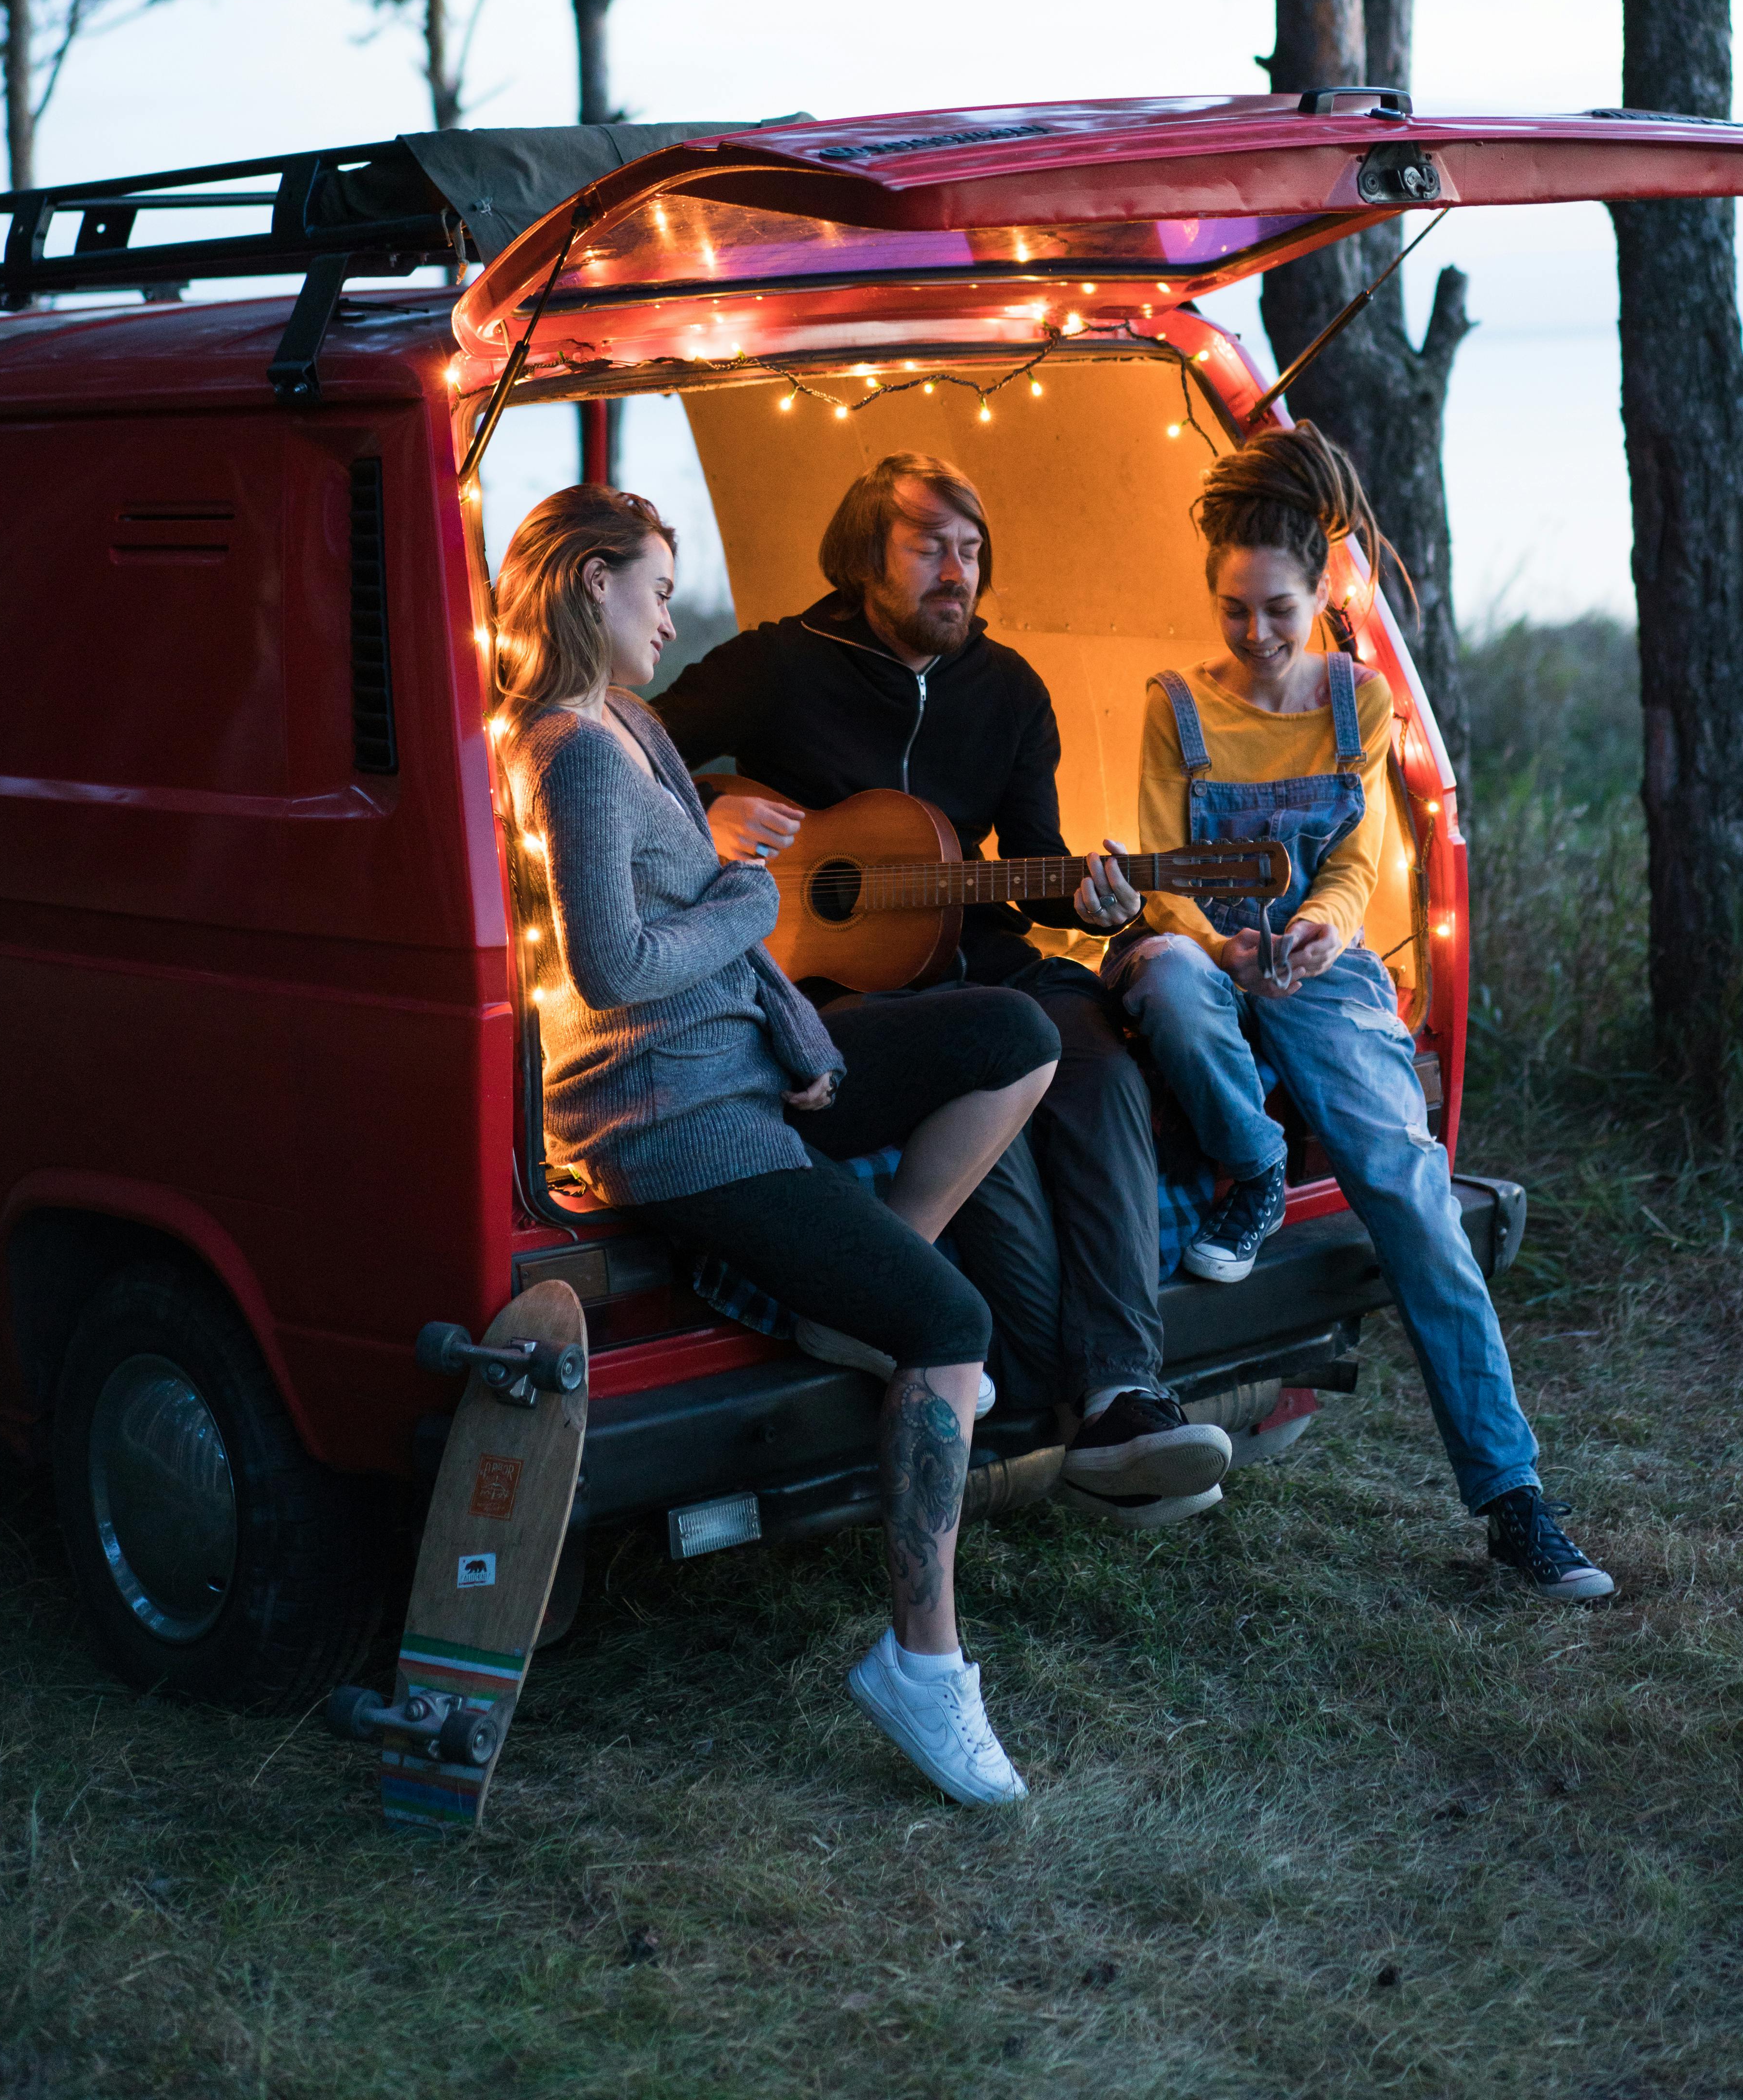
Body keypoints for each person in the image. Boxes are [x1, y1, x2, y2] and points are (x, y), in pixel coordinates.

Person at [493, 484, 1061, 1803]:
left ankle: (847, 1291)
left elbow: (708, 915)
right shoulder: (569, 752)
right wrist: (753, 909)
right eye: (654, 586)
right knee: (950, 1328)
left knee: (1012, 1035)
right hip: (672, 1118)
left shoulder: (635, 727)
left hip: (747, 1070)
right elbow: (618, 965)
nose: (671, 610)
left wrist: (801, 1032)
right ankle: (923, 1670)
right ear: (591, 588)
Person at [650, 453, 1235, 1531]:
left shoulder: (1008, 688)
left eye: (970, 552)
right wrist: (711, 819)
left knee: (1099, 1051)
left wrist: (1102, 905)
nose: (955, 573)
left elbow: (1044, 858)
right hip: (832, 987)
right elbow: (625, 754)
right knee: (991, 1091)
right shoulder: (780, 664)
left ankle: (1119, 1397)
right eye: (929, 548)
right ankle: (1004, 1380)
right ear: (865, 558)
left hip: (984, 956)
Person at [1109, 424, 1615, 1601]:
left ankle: (1514, 1502)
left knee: (1409, 1191)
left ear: (1323, 587)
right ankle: (1252, 1169)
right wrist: (1212, 935)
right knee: (1170, 983)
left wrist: (1327, 928)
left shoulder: (1364, 701)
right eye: (1236, 610)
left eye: (1278, 608)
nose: (1256, 633)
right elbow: (1159, 868)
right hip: (1218, 955)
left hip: (1325, 968)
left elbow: (1357, 858)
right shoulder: (1174, 706)